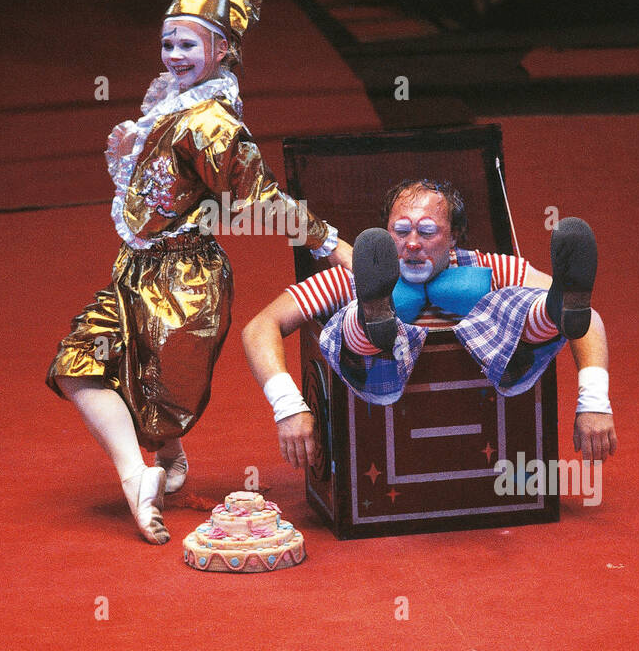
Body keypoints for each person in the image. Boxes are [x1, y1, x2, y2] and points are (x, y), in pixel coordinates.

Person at [46, 0, 351, 545]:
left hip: (185, 282)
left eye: (187, 46)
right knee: (77, 364)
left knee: (155, 397)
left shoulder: (210, 125)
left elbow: (259, 200)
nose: (174, 56)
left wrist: (330, 244)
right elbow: (233, 5)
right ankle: (143, 470)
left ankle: (158, 455)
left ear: (218, 53)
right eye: (168, 44)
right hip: (136, 267)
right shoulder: (187, 85)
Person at [242, 177, 617, 471]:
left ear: (454, 237)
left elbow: (589, 318)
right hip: (378, 387)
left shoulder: (489, 267)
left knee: (517, 307)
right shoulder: (357, 273)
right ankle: (371, 317)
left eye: (426, 231)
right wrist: (289, 406)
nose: (411, 243)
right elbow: (259, 327)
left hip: (490, 427)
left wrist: (594, 402)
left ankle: (550, 311)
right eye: (400, 231)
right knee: (349, 327)